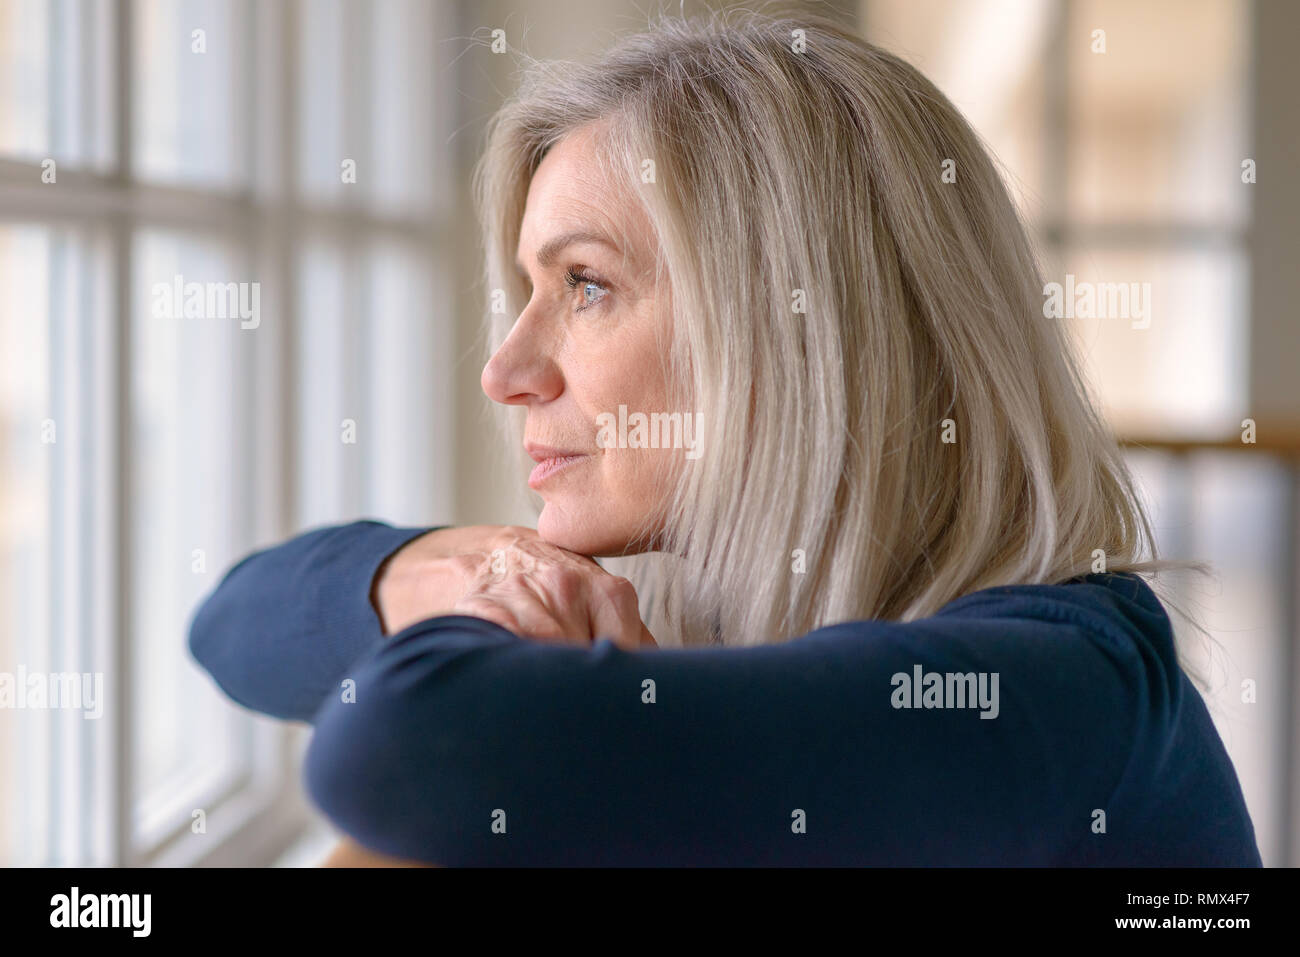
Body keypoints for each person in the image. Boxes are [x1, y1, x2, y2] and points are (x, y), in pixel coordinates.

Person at [188, 9, 1262, 866]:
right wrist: (487, 578)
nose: (505, 371)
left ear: (799, 330)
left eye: (588, 285)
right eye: (528, 289)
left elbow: (407, 747)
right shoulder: (683, 614)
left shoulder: (1060, 695)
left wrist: (501, 622)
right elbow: (236, 623)